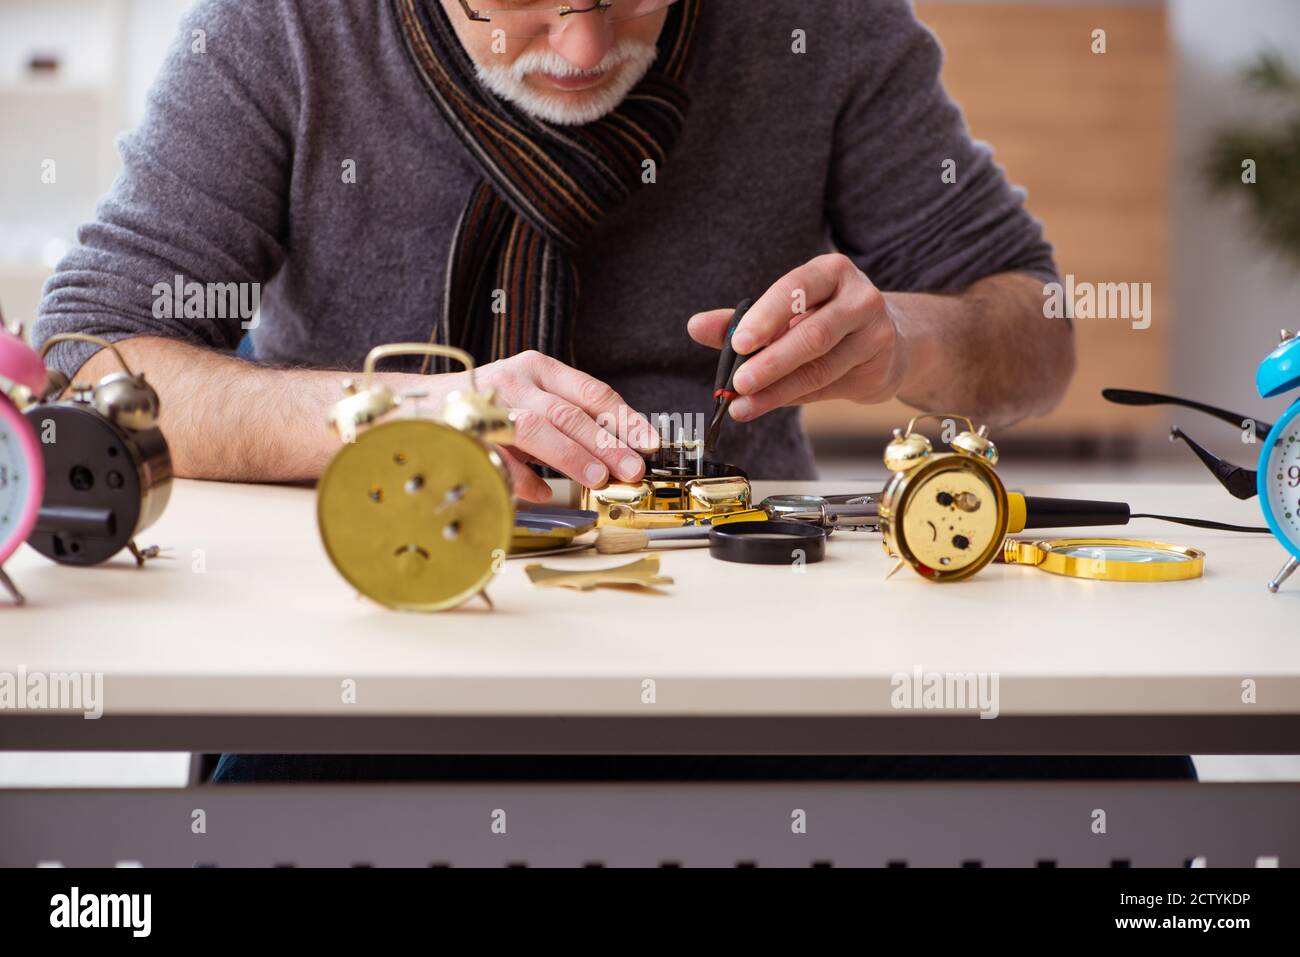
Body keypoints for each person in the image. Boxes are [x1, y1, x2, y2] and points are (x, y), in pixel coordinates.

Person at [39, 0, 1189, 784]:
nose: (583, 44)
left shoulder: (820, 25)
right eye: (520, 2)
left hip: (756, 636)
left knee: (1121, 768)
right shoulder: (281, 28)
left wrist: (906, 342)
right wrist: (394, 417)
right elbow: (85, 350)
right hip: (395, 623)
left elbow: (1036, 335)